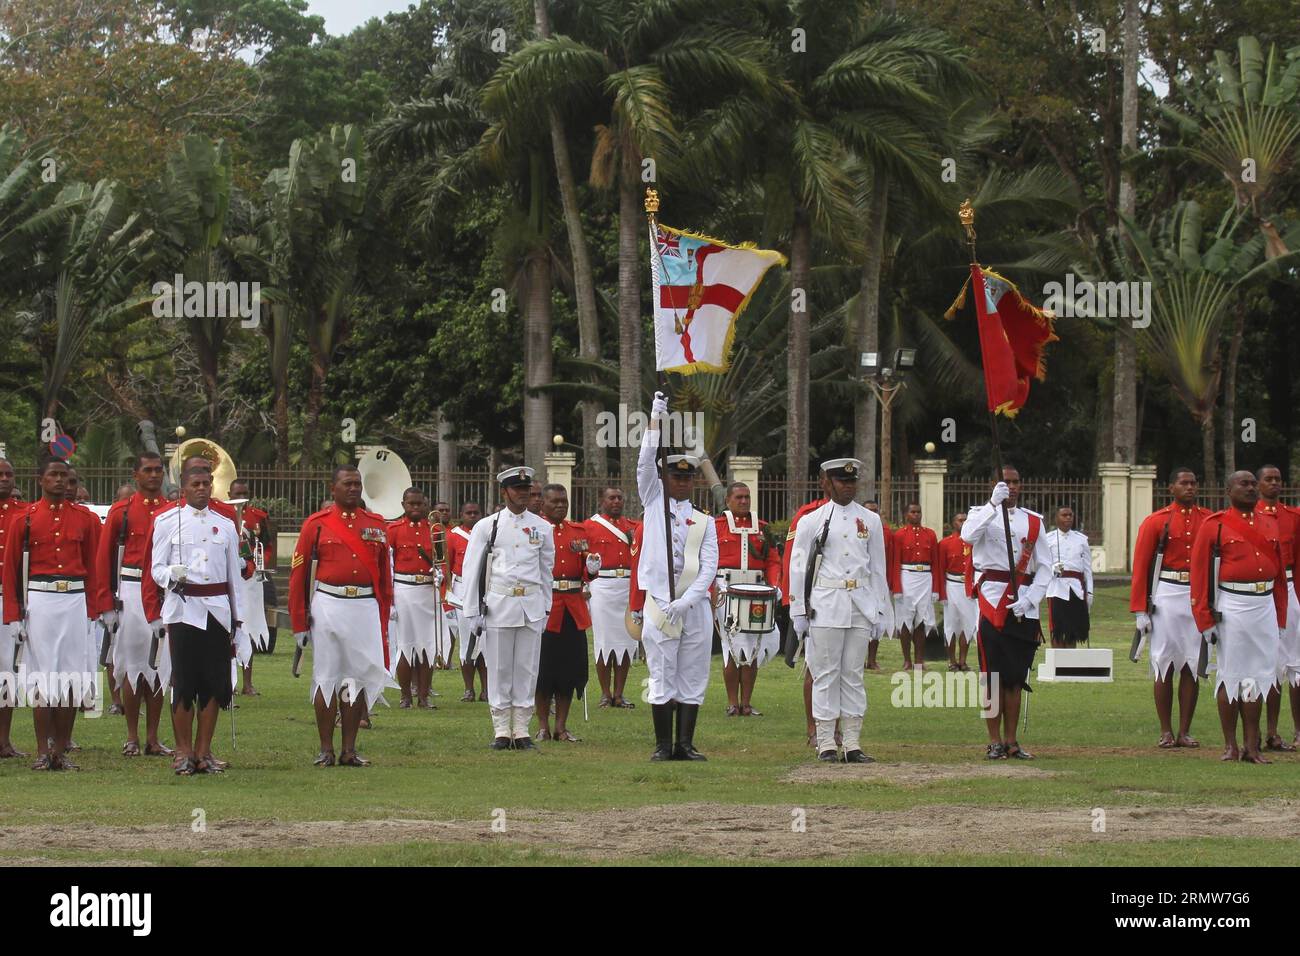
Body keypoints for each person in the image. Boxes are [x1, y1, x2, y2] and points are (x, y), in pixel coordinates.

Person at [289, 465, 397, 767]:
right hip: (329, 605)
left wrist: (385, 613)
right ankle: (326, 748)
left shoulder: (375, 523)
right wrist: (299, 621)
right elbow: (298, 576)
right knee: (327, 677)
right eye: (347, 484)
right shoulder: (317, 524)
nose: (353, 488)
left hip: (363, 606)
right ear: (332, 488)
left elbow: (384, 576)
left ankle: (349, 748)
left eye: (357, 483)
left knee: (357, 678)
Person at [2, 459, 107, 770]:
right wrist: (15, 615)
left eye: (64, 476)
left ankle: (61, 751)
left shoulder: (85, 520)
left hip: (74, 599)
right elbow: (10, 572)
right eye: (53, 475)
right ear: (41, 480)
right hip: (41, 600)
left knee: (72, 677)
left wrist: (94, 609)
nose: (60, 481)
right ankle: (41, 752)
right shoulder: (26, 520)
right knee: (42, 677)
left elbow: (96, 565)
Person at [635, 392, 719, 761]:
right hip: (659, 604)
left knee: (693, 674)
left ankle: (685, 744)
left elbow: (709, 564)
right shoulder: (653, 502)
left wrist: (690, 599)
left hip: (693, 606)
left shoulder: (705, 521)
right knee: (661, 671)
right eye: (675, 476)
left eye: (687, 478)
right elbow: (643, 463)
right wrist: (655, 418)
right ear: (665, 478)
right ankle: (662, 745)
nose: (682, 483)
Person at [788, 459, 890, 763]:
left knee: (853, 674)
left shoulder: (870, 520)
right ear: (825, 483)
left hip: (859, 602)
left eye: (852, 481)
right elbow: (797, 568)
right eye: (841, 481)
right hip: (826, 603)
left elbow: (879, 569)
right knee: (826, 673)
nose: (848, 486)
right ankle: (825, 743)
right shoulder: (812, 520)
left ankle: (853, 743)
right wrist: (797, 610)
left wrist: (881, 610)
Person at [1192, 470, 1293, 764]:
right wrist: (1204, 620)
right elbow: (1199, 576)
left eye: (1252, 484)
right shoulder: (1216, 526)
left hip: (1263, 605)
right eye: (1243, 484)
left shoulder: (1269, 524)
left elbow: (1279, 579)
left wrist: (1281, 618)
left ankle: (1253, 746)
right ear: (1229, 490)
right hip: (1232, 604)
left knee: (1259, 677)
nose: (1250, 489)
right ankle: (1230, 746)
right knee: (1231, 676)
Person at [149, 464, 242, 775]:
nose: (202, 488)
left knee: (214, 682)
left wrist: (238, 621)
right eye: (195, 484)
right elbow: (156, 568)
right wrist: (170, 577)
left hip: (217, 608)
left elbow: (233, 578)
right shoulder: (166, 522)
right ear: (184, 488)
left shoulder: (226, 525)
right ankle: (183, 751)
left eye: (206, 483)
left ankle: (204, 751)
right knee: (184, 681)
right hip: (183, 608)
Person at [962, 465, 1055, 760]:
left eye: (1015, 483)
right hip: (991, 601)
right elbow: (967, 536)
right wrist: (992, 504)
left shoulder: (1033, 522)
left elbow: (1045, 567)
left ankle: (1012, 741)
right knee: (992, 676)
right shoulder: (981, 515)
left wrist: (1031, 600)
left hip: (1023, 602)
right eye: (1006, 483)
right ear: (995, 484)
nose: (1011, 488)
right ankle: (993, 741)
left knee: (1016, 677)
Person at [459, 467, 554, 750]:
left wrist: (546, 607)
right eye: (517, 490)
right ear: (505, 492)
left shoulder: (542, 527)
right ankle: (501, 729)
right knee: (499, 667)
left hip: (531, 605)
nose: (523, 494)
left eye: (527, 490)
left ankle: (522, 729)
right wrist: (472, 611)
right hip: (499, 604)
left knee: (527, 668)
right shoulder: (488, 526)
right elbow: (472, 569)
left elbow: (545, 569)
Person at [97, 453, 173, 757]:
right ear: (136, 475)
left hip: (163, 591)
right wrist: (106, 605)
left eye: (158, 470)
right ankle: (131, 735)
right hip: (130, 590)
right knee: (131, 666)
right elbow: (104, 560)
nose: (154, 475)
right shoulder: (122, 512)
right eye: (148, 470)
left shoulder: (173, 511)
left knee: (157, 666)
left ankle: (153, 737)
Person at [1130, 467, 1211, 748]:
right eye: (1183, 483)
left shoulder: (1209, 520)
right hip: (1166, 592)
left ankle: (1184, 731)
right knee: (1163, 662)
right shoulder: (1157, 521)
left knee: (1191, 662)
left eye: (1193, 483)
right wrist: (1140, 609)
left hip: (1197, 594)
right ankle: (1166, 730)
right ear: (1171, 489)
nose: (1190, 487)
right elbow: (1141, 566)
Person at [714, 482, 782, 716]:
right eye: (739, 497)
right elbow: (708, 559)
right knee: (731, 648)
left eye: (747, 497)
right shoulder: (716, 527)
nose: (744, 501)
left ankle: (747, 702)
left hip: (756, 593)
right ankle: (732, 702)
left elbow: (773, 560)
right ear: (728, 500)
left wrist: (774, 585)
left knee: (752, 647)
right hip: (727, 591)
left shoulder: (762, 528)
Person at [535, 484, 595, 742]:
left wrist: (591, 569)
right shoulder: (535, 530)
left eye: (564, 501)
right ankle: (542, 726)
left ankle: (561, 726)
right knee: (543, 670)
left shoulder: (578, 532)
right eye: (554, 502)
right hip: (546, 606)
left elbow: (585, 572)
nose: (560, 505)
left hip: (572, 607)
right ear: (543, 505)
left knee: (569, 669)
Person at [386, 487, 446, 709]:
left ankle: (423, 696)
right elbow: (387, 566)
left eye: (419, 504)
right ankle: (405, 696)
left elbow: (442, 562)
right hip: (404, 590)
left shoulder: (435, 530)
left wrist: (441, 575)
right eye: (411, 504)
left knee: (427, 646)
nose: (416, 507)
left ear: (425, 505)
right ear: (403, 505)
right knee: (406, 645)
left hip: (427, 590)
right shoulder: (393, 530)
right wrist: (390, 600)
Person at [782, 475, 829, 746]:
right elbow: (793, 558)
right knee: (814, 666)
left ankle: (836, 728)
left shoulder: (857, 516)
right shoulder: (808, 515)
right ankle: (813, 728)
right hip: (814, 600)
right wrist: (795, 604)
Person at [1256, 465, 1300, 751]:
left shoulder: (1294, 517)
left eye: (1278, 479)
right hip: (1260, 594)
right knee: (1269, 664)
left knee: (1296, 664)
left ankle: (1298, 731)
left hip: (1290, 588)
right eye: (1268, 479)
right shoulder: (1249, 517)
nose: (1274, 483)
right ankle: (1271, 732)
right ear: (1257, 484)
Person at [584, 487, 639, 709]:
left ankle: (619, 693)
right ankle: (605, 693)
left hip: (627, 585)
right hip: (602, 585)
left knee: (627, 640)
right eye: (611, 498)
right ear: (601, 500)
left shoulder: (634, 527)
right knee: (604, 642)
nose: (616, 501)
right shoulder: (589, 526)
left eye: (619, 497)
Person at [227, 478, 273, 694]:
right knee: (229, 628)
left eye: (244, 493)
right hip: (228, 577)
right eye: (236, 494)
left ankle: (247, 683)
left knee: (250, 627)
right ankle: (230, 681)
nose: (240, 498)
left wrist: (257, 563)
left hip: (251, 579)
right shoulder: (222, 514)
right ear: (229, 493)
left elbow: (267, 545)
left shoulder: (259, 517)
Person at [445, 501, 487, 702]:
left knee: (485, 641)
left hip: (485, 588)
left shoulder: (487, 532)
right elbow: (447, 566)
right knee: (466, 640)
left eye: (476, 512)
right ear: (461, 515)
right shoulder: (453, 536)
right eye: (468, 513)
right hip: (462, 587)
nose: (472, 516)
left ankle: (486, 689)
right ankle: (468, 689)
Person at [894, 503, 942, 672]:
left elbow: (936, 562)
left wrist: (936, 588)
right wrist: (897, 588)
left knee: (921, 620)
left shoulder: (930, 534)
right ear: (906, 515)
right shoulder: (899, 535)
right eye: (912, 512)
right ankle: (907, 660)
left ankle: (919, 661)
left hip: (925, 577)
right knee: (906, 620)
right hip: (906, 575)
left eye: (918, 512)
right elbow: (895, 563)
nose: (916, 515)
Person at [0, 458, 25, 758]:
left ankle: (4, 741)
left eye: (9, 474)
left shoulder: (25, 514)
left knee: (7, 672)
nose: (4, 479)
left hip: (8, 601)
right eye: (0, 474)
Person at [1044, 506, 1093, 648]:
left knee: (1073, 629)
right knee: (1058, 629)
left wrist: (1090, 592)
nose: (1068, 518)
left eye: (1070, 515)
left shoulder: (1081, 540)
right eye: (1064, 515)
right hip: (1056, 588)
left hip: (1076, 588)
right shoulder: (1049, 539)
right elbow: (1041, 565)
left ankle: (1070, 664)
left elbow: (1087, 569)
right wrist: (1052, 568)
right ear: (1057, 518)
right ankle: (1057, 662)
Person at [863, 500, 901, 671]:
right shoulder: (853, 527)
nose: (872, 513)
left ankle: (872, 660)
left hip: (878, 581)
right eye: (869, 510)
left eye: (875, 510)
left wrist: (890, 582)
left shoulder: (885, 532)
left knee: (877, 618)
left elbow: (891, 559)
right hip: (860, 580)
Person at [938, 512, 977, 671]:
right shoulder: (945, 543)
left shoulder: (974, 543)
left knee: (967, 624)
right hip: (952, 585)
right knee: (951, 624)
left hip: (968, 587)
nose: (963, 522)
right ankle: (952, 661)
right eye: (960, 520)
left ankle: (963, 660)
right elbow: (940, 570)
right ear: (953, 523)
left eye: (966, 520)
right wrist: (941, 593)